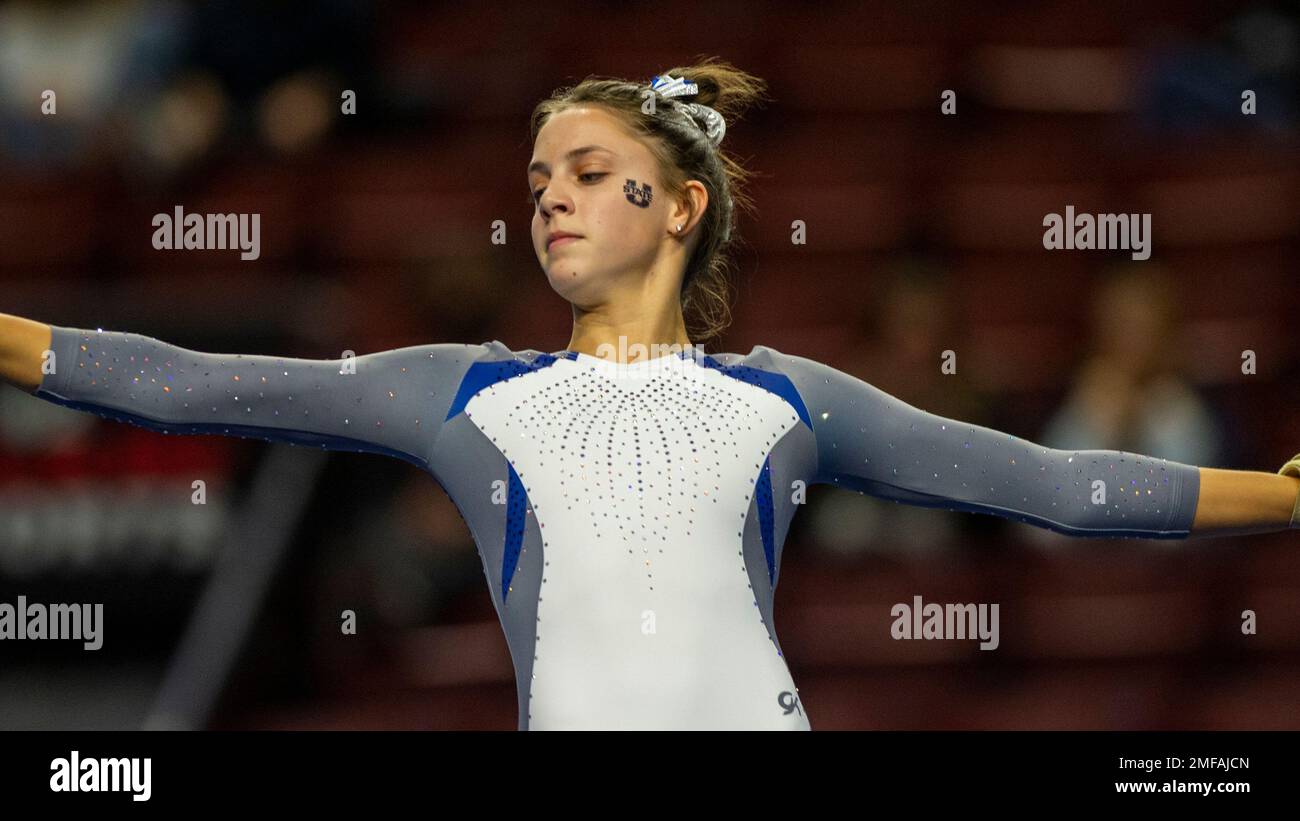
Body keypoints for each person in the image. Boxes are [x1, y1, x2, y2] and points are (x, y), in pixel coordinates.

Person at [2, 58, 1298, 731]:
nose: (547, 196)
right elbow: (187, 381)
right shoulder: (460, 394)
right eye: (534, 179)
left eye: (583, 169)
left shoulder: (786, 401)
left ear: (680, 205)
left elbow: (1056, 484)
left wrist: (1283, 497)